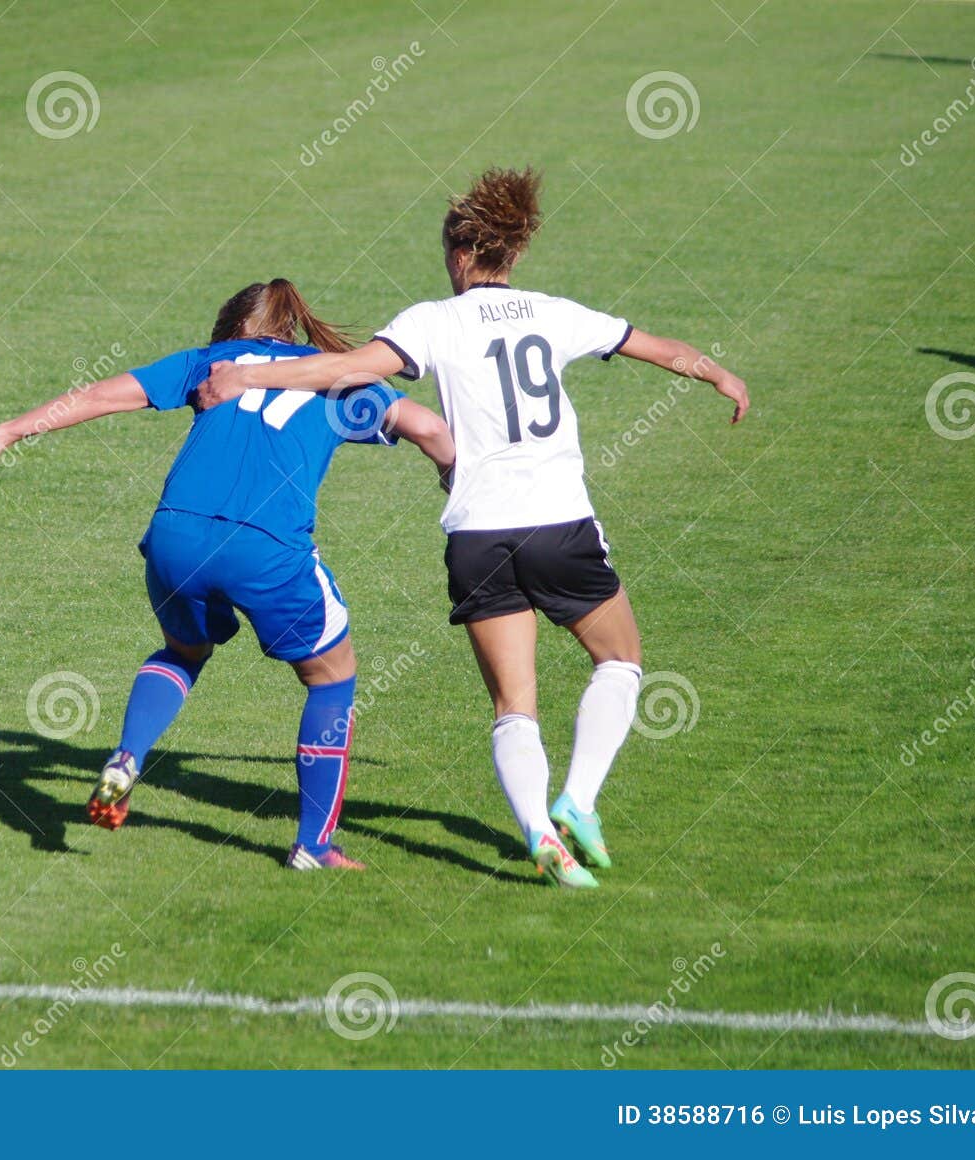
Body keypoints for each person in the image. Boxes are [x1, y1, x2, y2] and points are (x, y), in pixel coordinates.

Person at [198, 170, 750, 888]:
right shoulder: (555, 312)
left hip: (478, 536)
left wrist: (250, 377)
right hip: (560, 524)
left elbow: (348, 368)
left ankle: (539, 831)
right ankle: (579, 801)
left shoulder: (431, 320)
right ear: (512, 254)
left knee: (513, 704)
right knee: (619, 659)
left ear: (460, 256)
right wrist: (718, 374)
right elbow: (653, 345)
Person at [0, 279, 455, 870]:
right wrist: (455, 478)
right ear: (290, 331)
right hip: (264, 548)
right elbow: (431, 428)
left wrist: (6, 432)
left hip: (175, 535)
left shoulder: (211, 362)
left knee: (184, 650)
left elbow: (101, 395)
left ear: (233, 328)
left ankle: (127, 757)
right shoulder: (336, 376)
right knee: (332, 679)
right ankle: (312, 847)